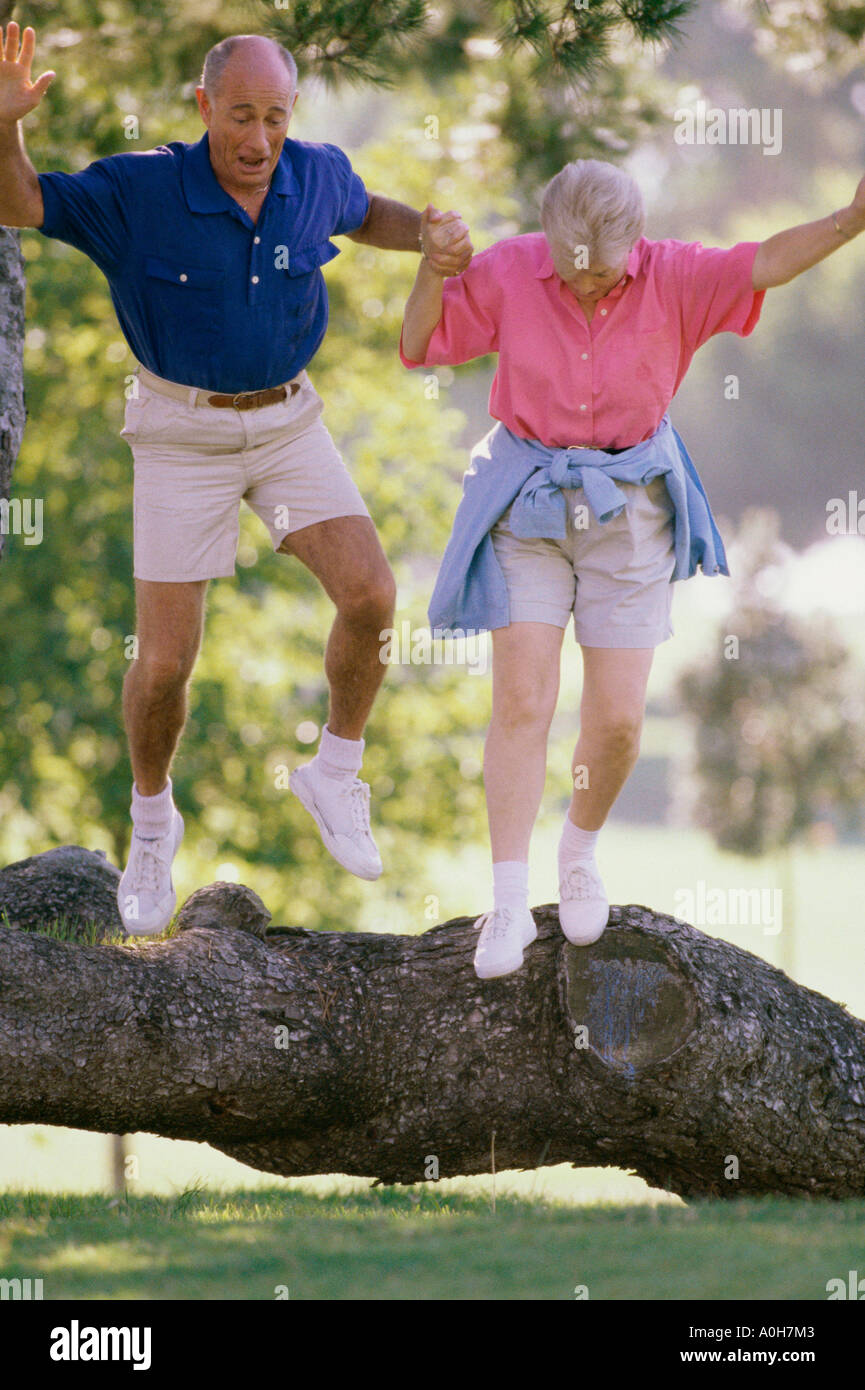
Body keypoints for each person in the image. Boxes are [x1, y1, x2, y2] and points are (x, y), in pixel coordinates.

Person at [0, 24, 471, 935]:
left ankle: (335, 772)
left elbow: (365, 209)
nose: (259, 140)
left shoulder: (312, 173)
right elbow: (18, 204)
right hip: (181, 435)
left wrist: (430, 235)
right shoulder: (138, 190)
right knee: (167, 664)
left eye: (276, 118)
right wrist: (6, 125)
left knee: (372, 596)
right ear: (204, 106)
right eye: (242, 116)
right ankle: (150, 823)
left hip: (288, 425)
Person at [402, 156, 865, 981]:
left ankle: (577, 850)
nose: (583, 291)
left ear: (633, 242)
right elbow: (420, 344)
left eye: (601, 275)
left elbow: (763, 261)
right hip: (528, 500)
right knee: (522, 699)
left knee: (615, 724)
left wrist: (848, 220)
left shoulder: (678, 276)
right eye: (570, 276)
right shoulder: (512, 269)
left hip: (630, 506)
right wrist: (433, 271)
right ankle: (508, 900)